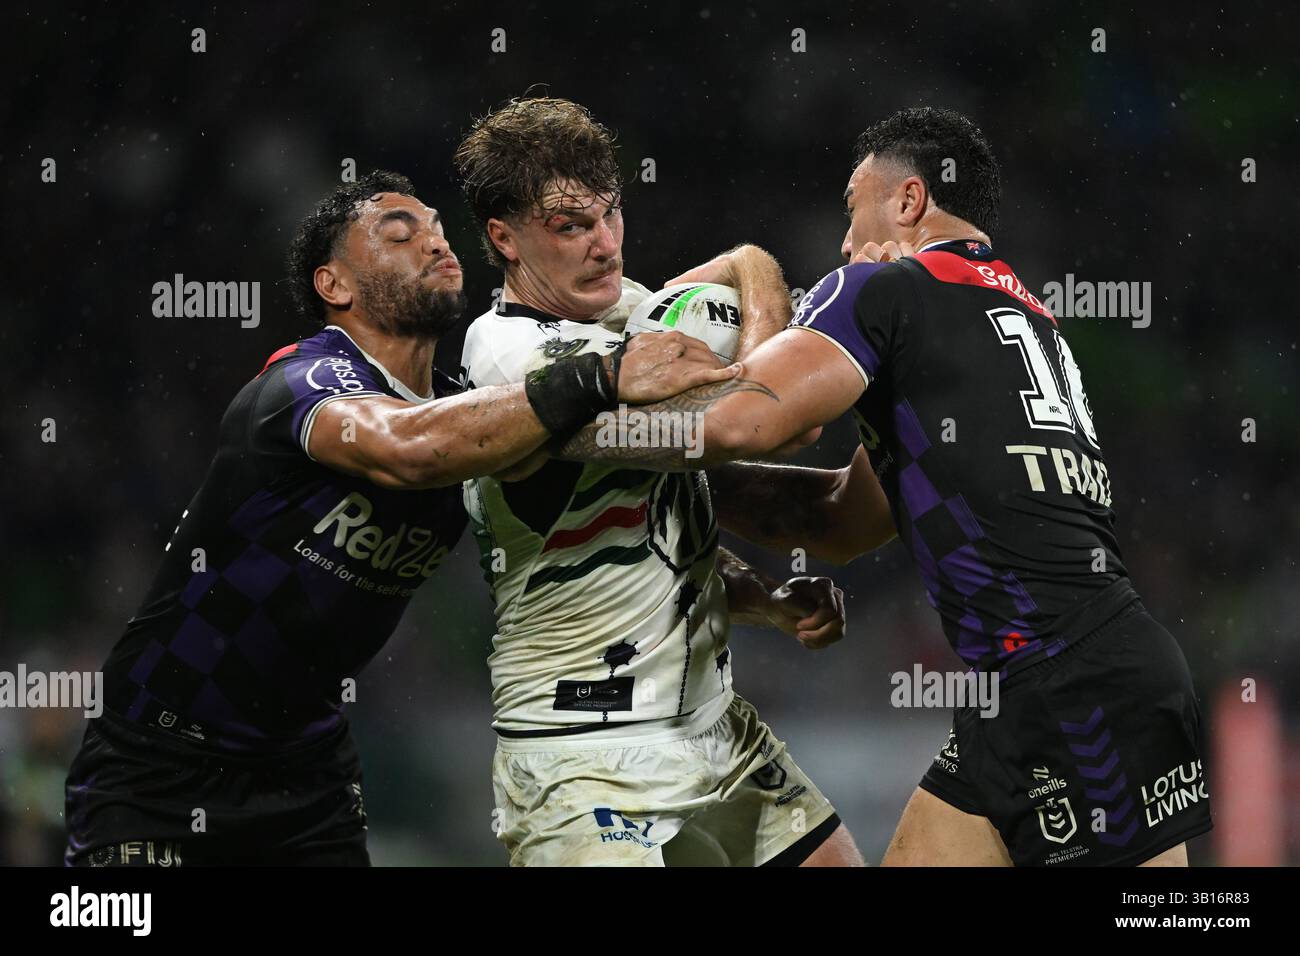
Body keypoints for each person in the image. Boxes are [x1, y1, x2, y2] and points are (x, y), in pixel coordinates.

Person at [558, 107, 1212, 867]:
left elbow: (751, 420)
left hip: (1069, 688)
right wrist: (687, 489)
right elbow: (838, 523)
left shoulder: (882, 287)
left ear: (906, 203)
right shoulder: (1022, 316)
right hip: (1068, 679)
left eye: (851, 206)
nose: (843, 240)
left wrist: (562, 425)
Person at [63, 170, 731, 866]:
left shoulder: (483, 412)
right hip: (159, 761)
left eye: (440, 233)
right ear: (335, 286)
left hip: (307, 776)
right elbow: (409, 448)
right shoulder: (300, 385)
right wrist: (601, 374)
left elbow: (603, 512)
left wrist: (740, 586)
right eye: (400, 235)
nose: (437, 246)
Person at [453, 97, 863, 867]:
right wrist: (751, 267)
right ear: (504, 239)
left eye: (611, 215)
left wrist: (764, 602)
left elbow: (657, 526)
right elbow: (776, 416)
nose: (605, 246)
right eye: (571, 226)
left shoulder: (636, 311)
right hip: (581, 752)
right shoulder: (507, 357)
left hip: (714, 728)